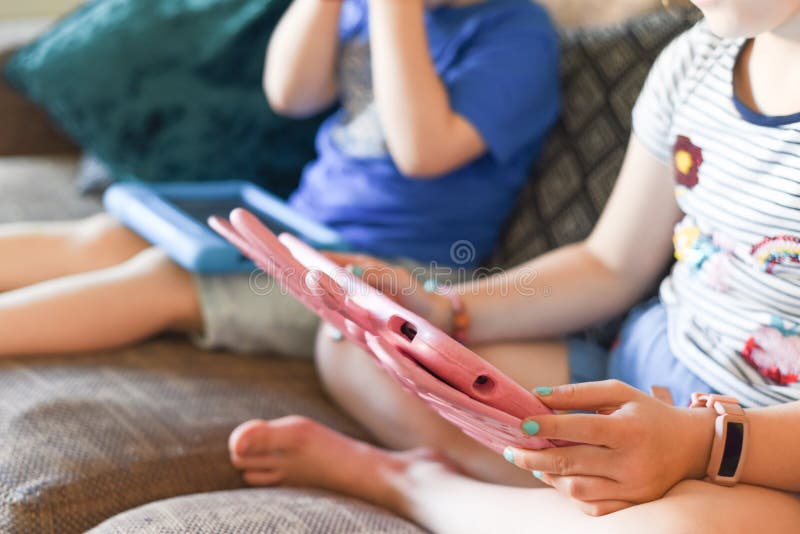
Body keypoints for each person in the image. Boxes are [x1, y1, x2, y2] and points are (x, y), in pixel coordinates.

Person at [227, 0, 800, 531]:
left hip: (771, 448)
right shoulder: (695, 61)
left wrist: (701, 445)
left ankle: (415, 486)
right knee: (357, 352)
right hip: (654, 374)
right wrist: (445, 310)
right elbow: (610, 263)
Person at [0, 0, 558, 358]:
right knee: (104, 239)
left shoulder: (518, 32)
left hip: (395, 272)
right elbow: (291, 94)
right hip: (300, 225)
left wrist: (396, 9)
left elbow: (421, 152)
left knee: (164, 279)